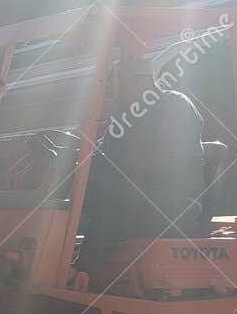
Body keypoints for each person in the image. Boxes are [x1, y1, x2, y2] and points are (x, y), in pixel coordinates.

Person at [81, 57, 206, 257]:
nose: (118, 94)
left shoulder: (174, 105)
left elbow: (168, 163)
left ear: (140, 81)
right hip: (143, 194)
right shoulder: (129, 115)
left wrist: (113, 166)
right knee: (84, 183)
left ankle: (82, 269)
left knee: (110, 195)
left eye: (121, 86)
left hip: (173, 201)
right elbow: (104, 151)